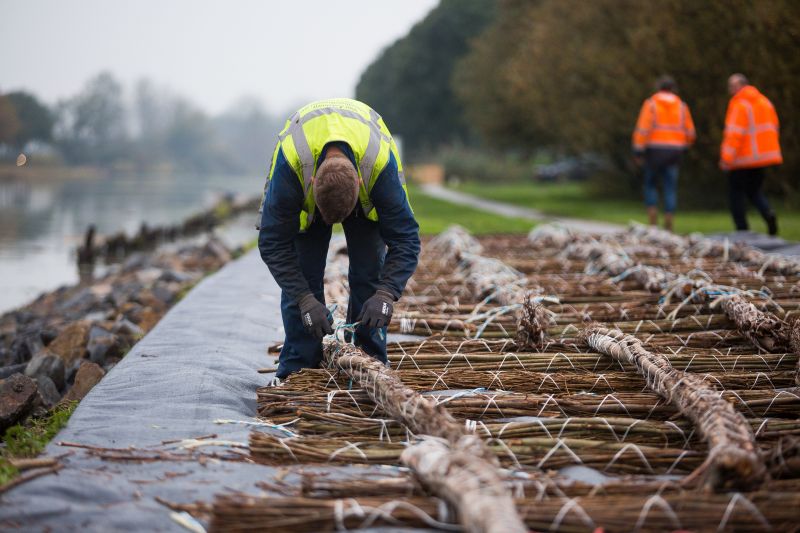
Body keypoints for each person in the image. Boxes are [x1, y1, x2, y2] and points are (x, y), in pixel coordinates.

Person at [257, 98, 420, 380]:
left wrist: (385, 295)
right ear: (312, 184)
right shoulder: (292, 167)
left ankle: (368, 361)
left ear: (360, 183)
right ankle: (299, 367)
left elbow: (406, 238)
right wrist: (304, 300)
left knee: (369, 274)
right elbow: (272, 242)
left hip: (362, 196)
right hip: (309, 196)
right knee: (303, 275)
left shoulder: (379, 167)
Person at [720, 73, 782, 235]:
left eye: (732, 86)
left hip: (741, 159)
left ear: (741, 85)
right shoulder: (764, 102)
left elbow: (734, 134)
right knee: (754, 191)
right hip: (762, 158)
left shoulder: (739, 104)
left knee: (736, 194)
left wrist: (726, 158)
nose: (730, 90)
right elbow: (774, 127)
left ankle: (742, 229)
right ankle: (768, 212)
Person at [632, 75, 696, 232]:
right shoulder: (681, 106)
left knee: (650, 184)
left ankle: (652, 214)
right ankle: (669, 217)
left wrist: (638, 151)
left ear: (658, 88)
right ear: (673, 89)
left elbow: (643, 129)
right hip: (674, 152)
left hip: (654, 151)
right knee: (670, 187)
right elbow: (690, 132)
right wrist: (685, 146)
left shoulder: (651, 104)